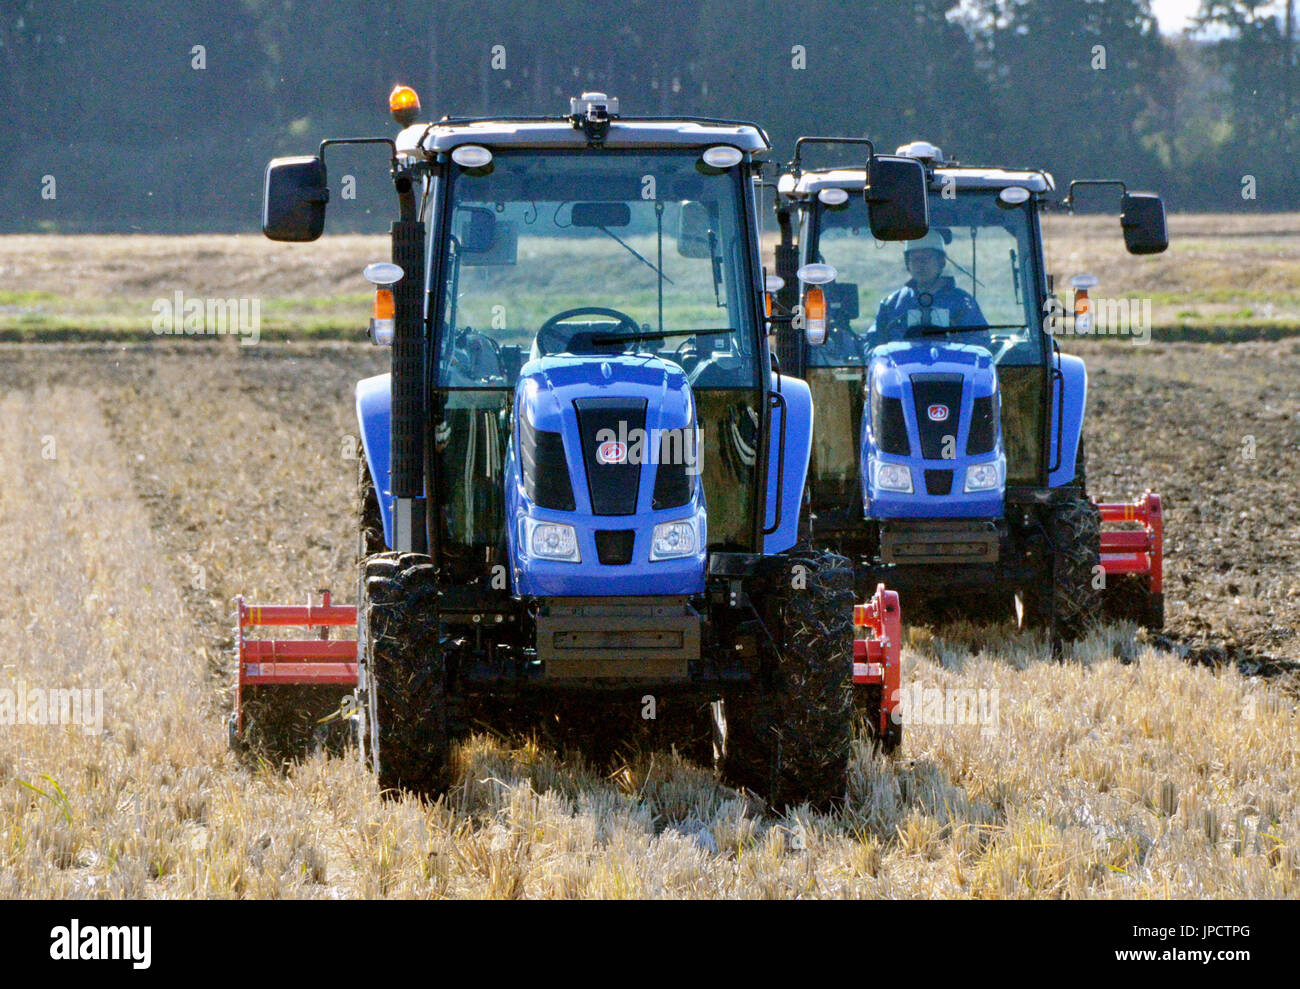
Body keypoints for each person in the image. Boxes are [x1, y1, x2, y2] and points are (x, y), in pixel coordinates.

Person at [869, 229, 987, 345]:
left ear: (941, 262)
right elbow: (873, 344)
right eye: (915, 259)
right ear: (907, 264)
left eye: (927, 258)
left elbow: (979, 342)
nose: (921, 265)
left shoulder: (963, 303)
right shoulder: (891, 304)